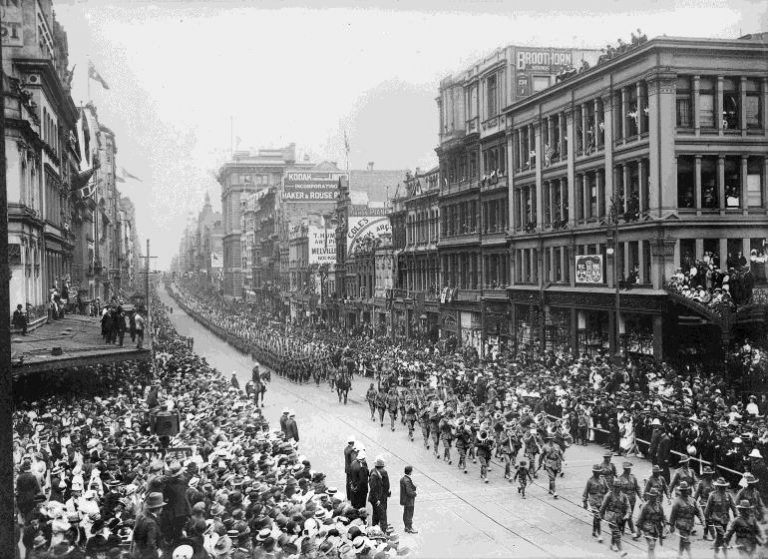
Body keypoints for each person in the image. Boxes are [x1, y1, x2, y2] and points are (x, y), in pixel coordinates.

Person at [669, 481, 704, 559]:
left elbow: (698, 511)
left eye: (685, 490)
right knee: (686, 539)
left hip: (690, 524)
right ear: (680, 491)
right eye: (682, 490)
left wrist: (703, 521)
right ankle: (690, 556)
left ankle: (679, 554)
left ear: (688, 490)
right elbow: (673, 514)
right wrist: (671, 525)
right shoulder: (677, 501)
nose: (684, 492)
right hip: (681, 524)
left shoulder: (692, 500)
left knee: (683, 539)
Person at [705, 477, 737, 558]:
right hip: (716, 519)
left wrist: (737, 516)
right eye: (720, 486)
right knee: (723, 535)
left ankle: (716, 554)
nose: (722, 488)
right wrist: (707, 520)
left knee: (719, 538)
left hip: (725, 520)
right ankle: (726, 556)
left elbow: (734, 507)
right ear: (717, 487)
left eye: (723, 486)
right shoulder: (712, 495)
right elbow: (707, 509)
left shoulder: (728, 495)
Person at [600, 478, 631, 552]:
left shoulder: (623, 496)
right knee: (616, 532)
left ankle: (612, 544)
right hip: (611, 516)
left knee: (617, 531)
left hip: (620, 517)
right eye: (616, 487)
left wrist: (627, 514)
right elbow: (603, 506)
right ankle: (621, 551)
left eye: (618, 487)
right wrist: (601, 516)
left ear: (620, 487)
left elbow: (628, 506)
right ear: (613, 487)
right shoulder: (609, 495)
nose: (617, 488)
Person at [133, 492, 166, 558]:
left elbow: (135, 535)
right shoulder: (151, 523)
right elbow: (151, 543)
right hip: (148, 555)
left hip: (139, 553)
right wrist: (157, 554)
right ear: (159, 508)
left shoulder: (141, 517)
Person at [636, 488, 665, 559]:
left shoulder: (659, 505)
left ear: (656, 496)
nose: (653, 498)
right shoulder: (645, 506)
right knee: (651, 544)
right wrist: (638, 530)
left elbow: (663, 516)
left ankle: (650, 556)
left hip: (656, 528)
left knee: (652, 545)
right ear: (649, 496)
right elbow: (641, 518)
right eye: (651, 496)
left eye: (654, 496)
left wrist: (665, 524)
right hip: (647, 527)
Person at [369, 456, 391, 532]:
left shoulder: (372, 471)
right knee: (382, 514)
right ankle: (384, 530)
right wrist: (377, 499)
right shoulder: (383, 472)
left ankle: (374, 527)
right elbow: (386, 485)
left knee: (376, 513)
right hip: (379, 497)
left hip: (375, 497)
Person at [540, 434, 564, 498]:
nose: (551, 439)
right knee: (552, 477)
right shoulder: (545, 446)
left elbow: (560, 453)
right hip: (549, 463)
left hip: (556, 463)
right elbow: (541, 455)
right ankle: (554, 492)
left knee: (553, 477)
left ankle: (550, 489)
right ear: (548, 438)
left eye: (552, 438)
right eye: (550, 438)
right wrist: (540, 463)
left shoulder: (557, 446)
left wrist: (563, 461)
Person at [399, 465, 418, 534]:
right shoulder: (407, 480)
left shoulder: (403, 479)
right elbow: (409, 491)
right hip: (409, 500)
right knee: (409, 514)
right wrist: (414, 493)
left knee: (406, 513)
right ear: (410, 472)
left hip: (405, 500)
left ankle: (406, 527)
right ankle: (410, 528)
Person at [344, 436, 357, 501]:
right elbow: (353, 460)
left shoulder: (346, 448)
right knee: (351, 482)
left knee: (348, 483)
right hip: (351, 469)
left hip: (347, 468)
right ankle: (351, 497)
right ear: (353, 442)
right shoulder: (351, 450)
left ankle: (348, 496)